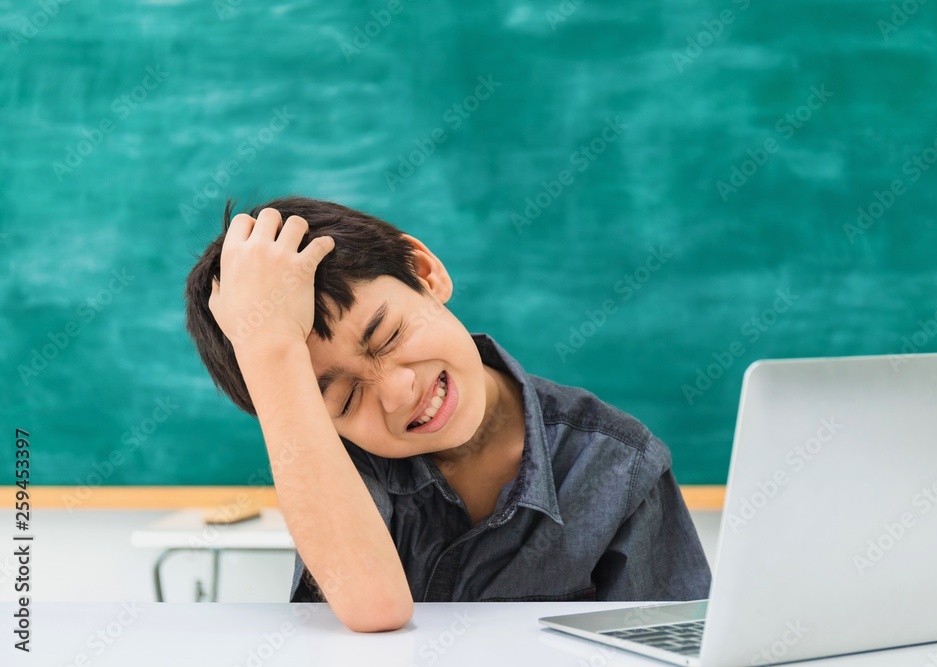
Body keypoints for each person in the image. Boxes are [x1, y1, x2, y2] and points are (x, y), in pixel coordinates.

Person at [183, 196, 711, 632]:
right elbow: (374, 607)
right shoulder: (337, 464)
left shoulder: (617, 462)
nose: (397, 392)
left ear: (425, 273)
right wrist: (269, 352)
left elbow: (672, 648)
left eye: (388, 335)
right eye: (343, 400)